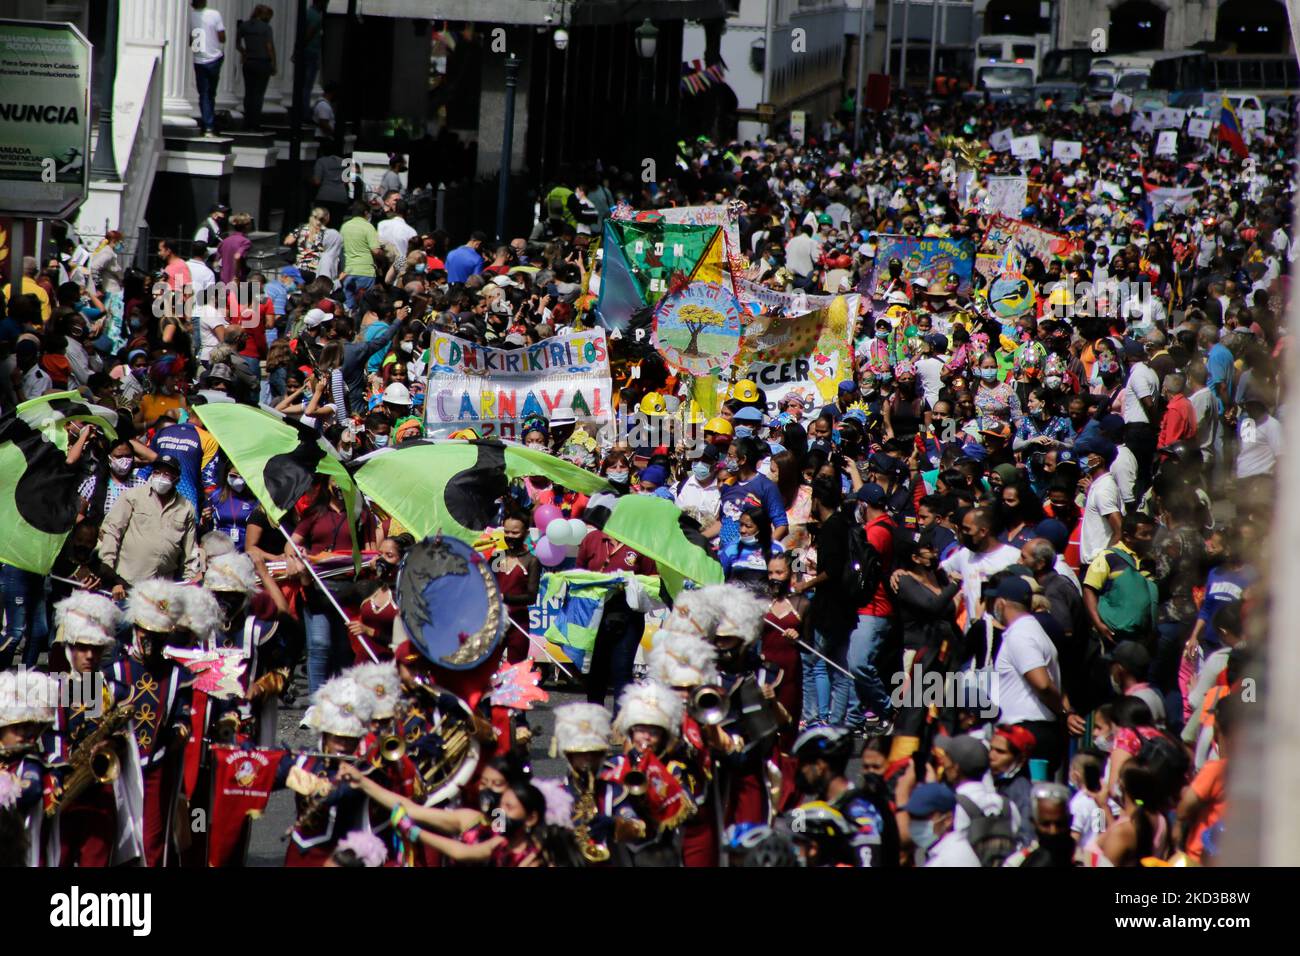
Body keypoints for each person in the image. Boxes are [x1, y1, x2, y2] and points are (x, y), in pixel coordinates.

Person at [97, 454, 201, 589]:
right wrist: (108, 568)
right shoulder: (133, 496)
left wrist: (190, 582)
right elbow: (112, 531)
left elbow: (191, 549)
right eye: (157, 472)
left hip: (162, 586)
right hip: (126, 581)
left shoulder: (186, 508)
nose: (161, 477)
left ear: (176, 479)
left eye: (167, 474)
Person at [901, 782, 978, 867]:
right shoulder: (933, 852)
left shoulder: (953, 856)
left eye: (923, 817)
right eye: (913, 817)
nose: (916, 823)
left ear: (947, 820)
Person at [190, 0, 227, 137]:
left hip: (199, 59)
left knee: (204, 94)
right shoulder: (214, 14)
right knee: (211, 93)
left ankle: (208, 126)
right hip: (215, 58)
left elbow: (191, 40)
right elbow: (222, 37)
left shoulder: (190, 16)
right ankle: (210, 124)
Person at [340, 200, 385, 312]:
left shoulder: (345, 227)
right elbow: (376, 251)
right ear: (366, 213)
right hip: (366, 272)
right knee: (365, 306)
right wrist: (384, 256)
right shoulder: (368, 227)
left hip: (348, 270)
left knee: (349, 307)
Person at [236, 5, 276, 130]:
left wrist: (244, 52)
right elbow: (269, 46)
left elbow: (237, 44)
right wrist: (274, 63)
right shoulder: (266, 28)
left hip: (249, 62)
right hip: (262, 62)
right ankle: (255, 122)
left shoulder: (244, 26)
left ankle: (247, 120)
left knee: (249, 92)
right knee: (259, 93)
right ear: (264, 15)